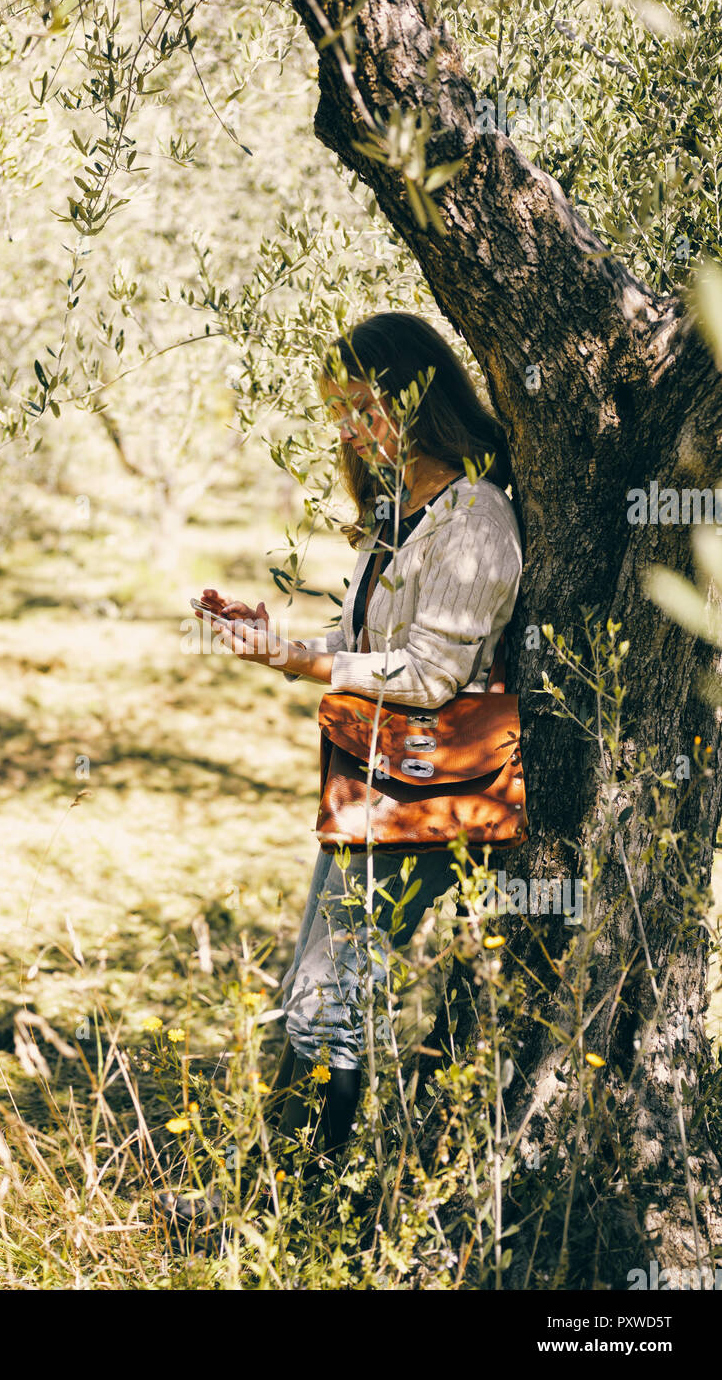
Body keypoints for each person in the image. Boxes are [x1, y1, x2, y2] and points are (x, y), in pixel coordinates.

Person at [168, 311, 523, 1229]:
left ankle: (289, 1212)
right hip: (371, 785)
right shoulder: (400, 512)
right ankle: (282, 1200)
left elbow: (432, 674)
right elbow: (375, 646)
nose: (346, 432)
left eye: (359, 407)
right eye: (338, 412)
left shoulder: (476, 515)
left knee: (328, 998)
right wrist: (278, 640)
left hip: (426, 790)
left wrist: (299, 664)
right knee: (315, 990)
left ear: (415, 401)